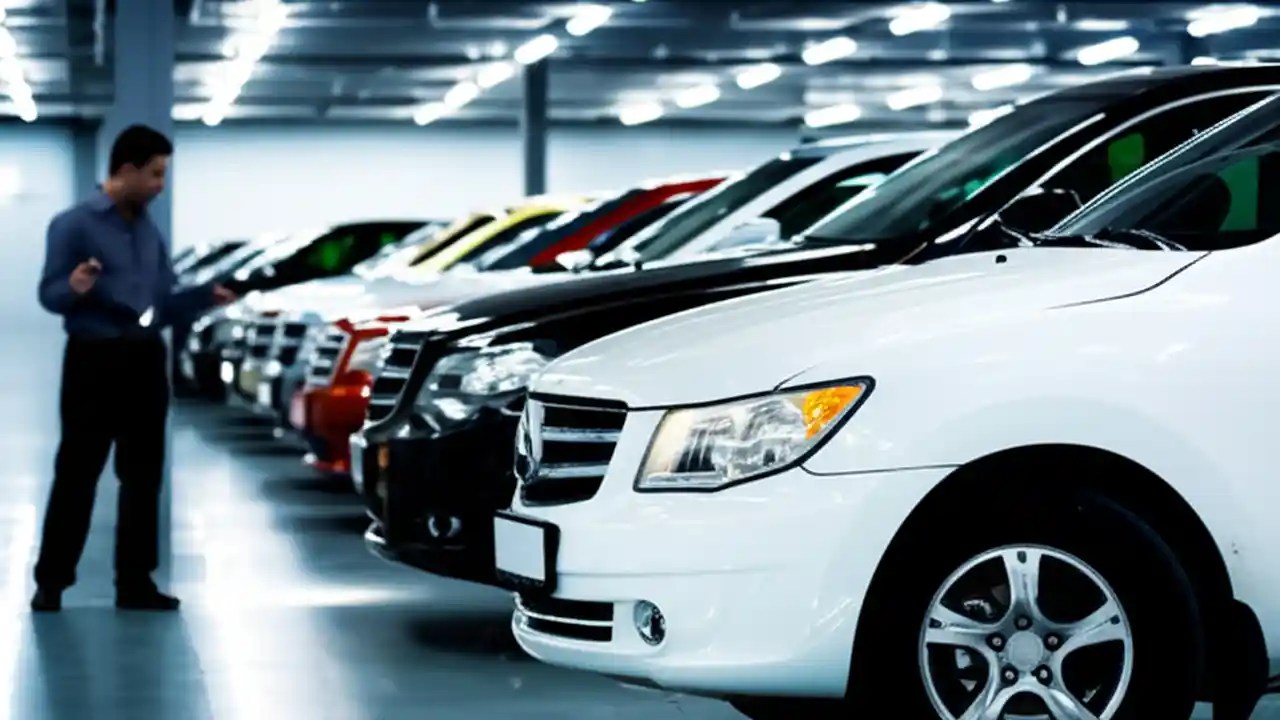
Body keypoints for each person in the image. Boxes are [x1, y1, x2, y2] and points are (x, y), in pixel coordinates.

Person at [29, 124, 236, 612]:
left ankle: (136, 583)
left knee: (143, 476)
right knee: (78, 471)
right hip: (93, 361)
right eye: (156, 174)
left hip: (145, 361)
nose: (161, 184)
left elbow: (159, 304)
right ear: (126, 170)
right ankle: (51, 583)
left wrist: (205, 297)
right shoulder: (73, 225)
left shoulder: (148, 230)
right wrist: (75, 286)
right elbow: (49, 295)